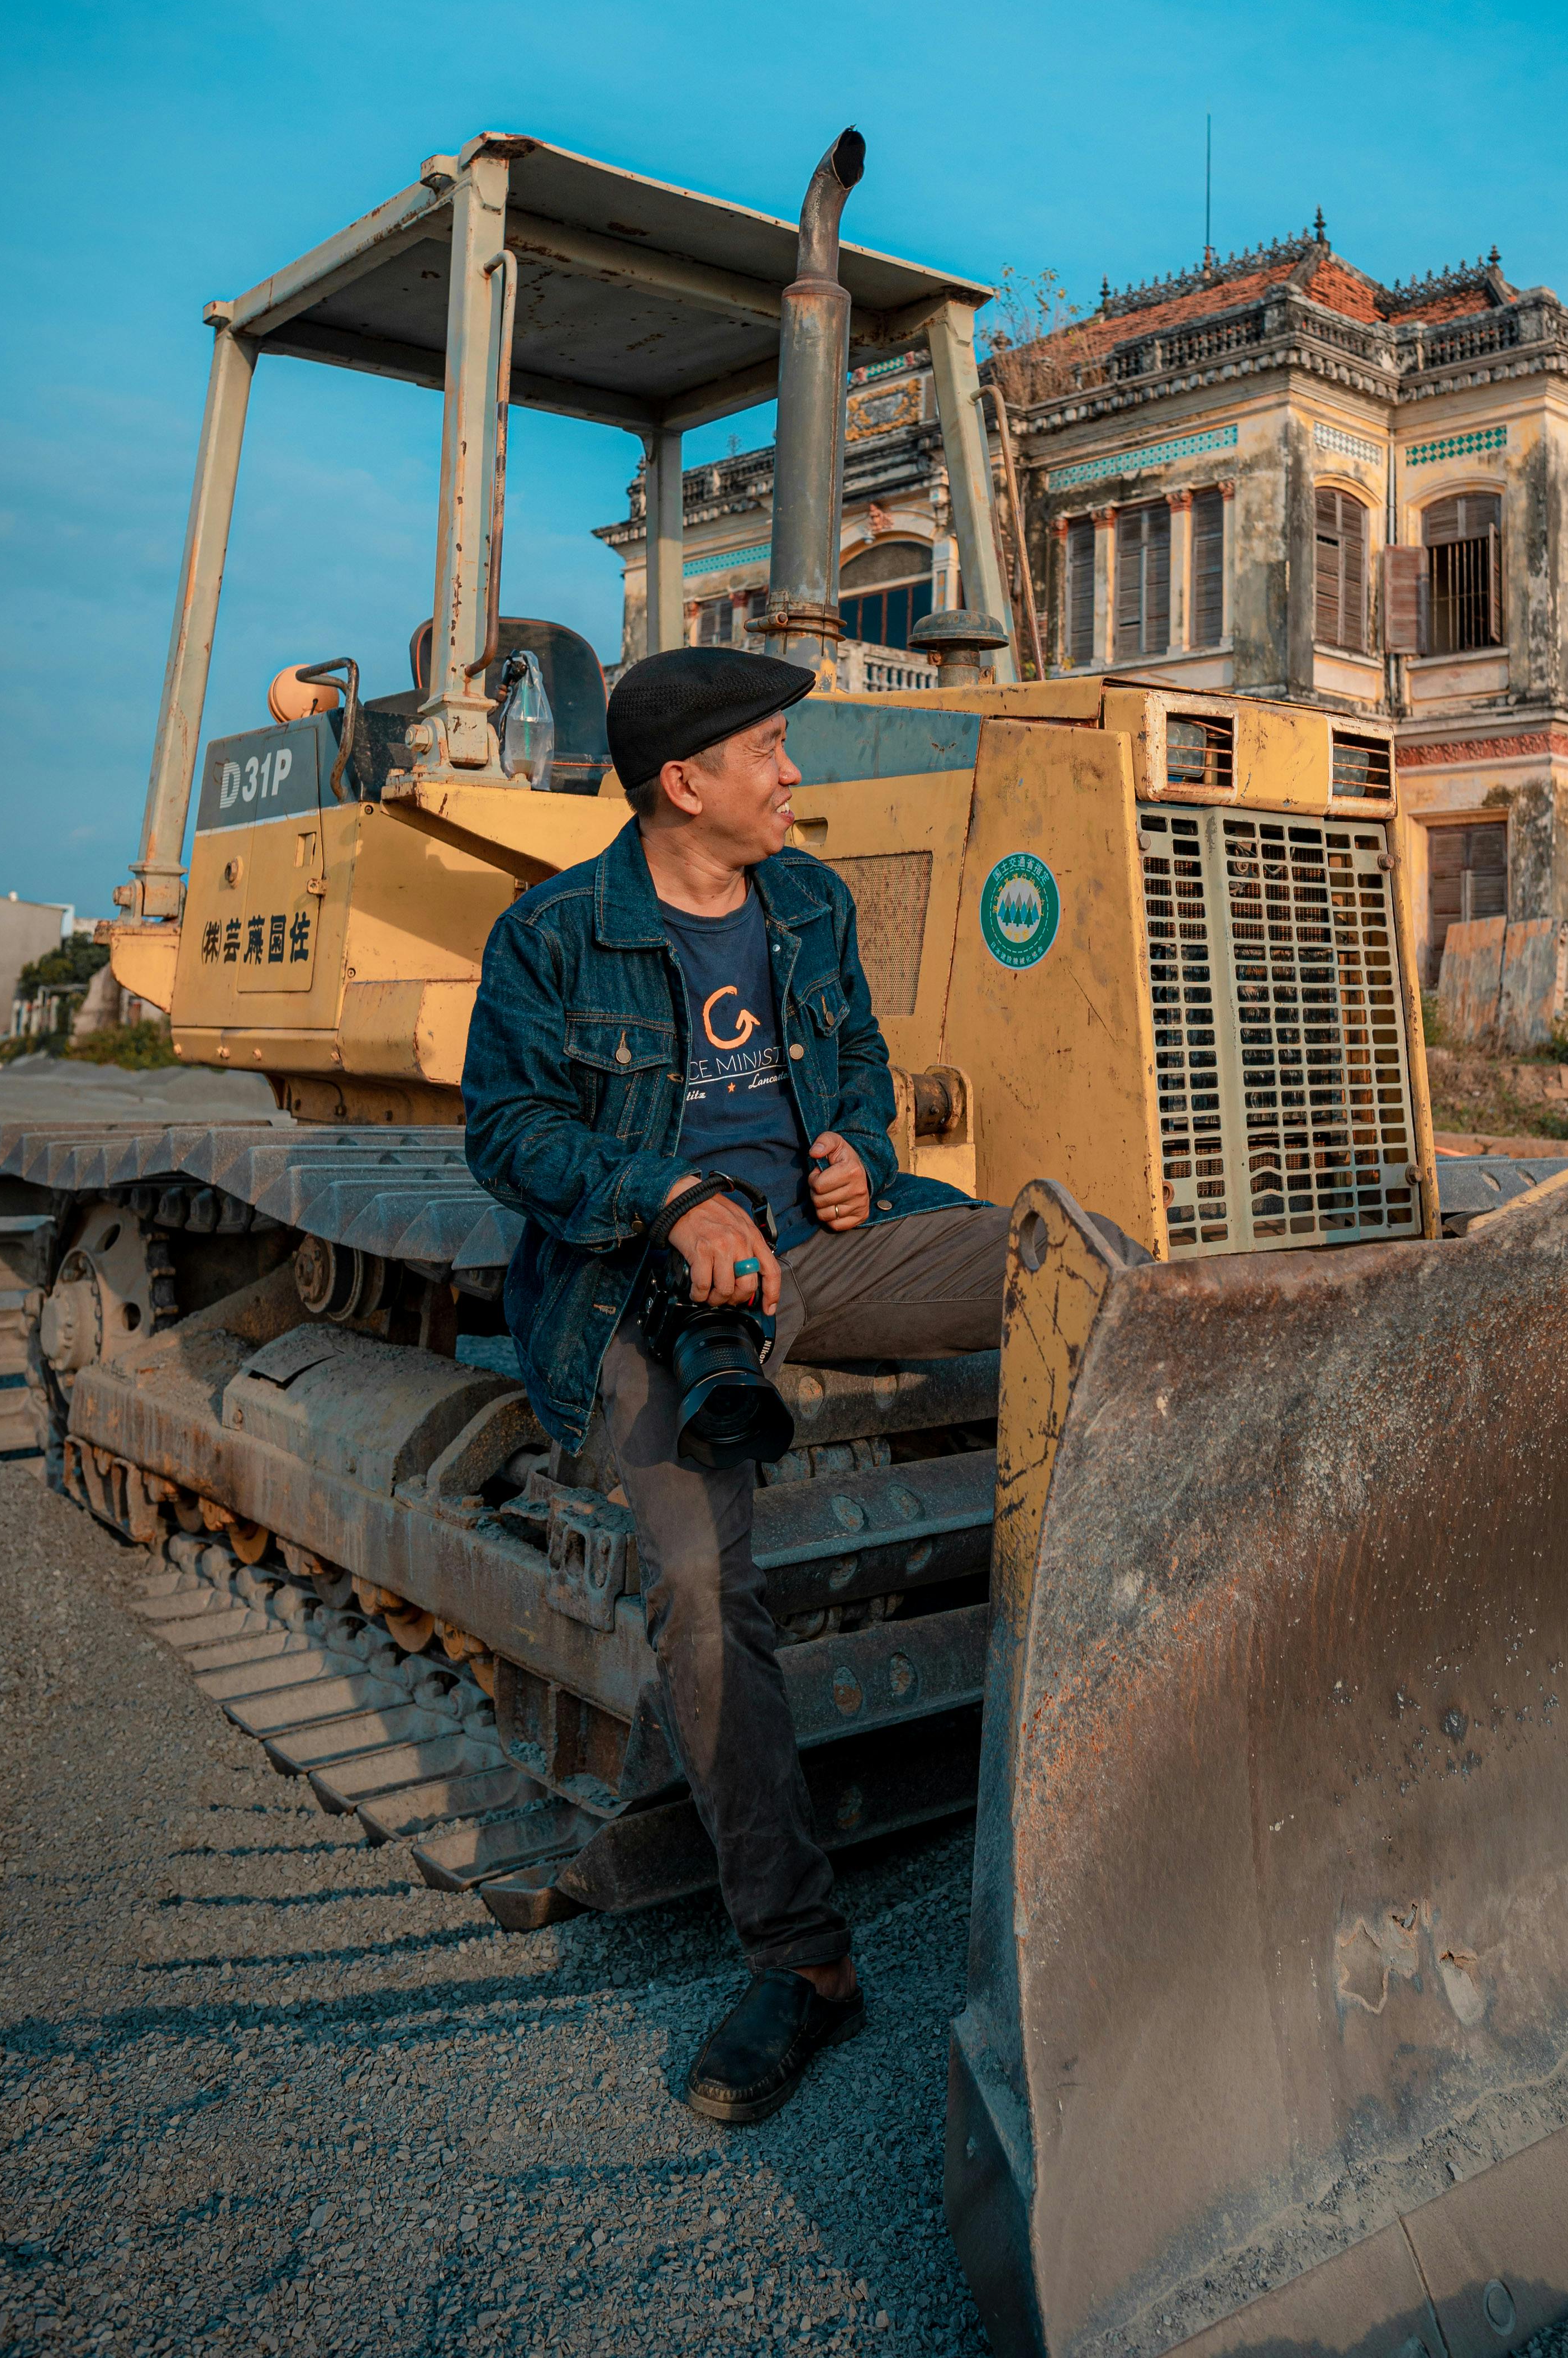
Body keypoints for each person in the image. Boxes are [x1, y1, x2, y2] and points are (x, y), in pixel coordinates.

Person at [461, 646, 1012, 2127]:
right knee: (703, 1600)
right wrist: (667, 1196)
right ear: (686, 784)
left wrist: (850, 1148)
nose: (793, 775)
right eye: (769, 751)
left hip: (825, 1261)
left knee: (1089, 1268)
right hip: (646, 1294)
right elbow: (507, 1132)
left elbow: (862, 1076)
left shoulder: (811, 903)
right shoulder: (554, 933)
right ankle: (801, 1960)